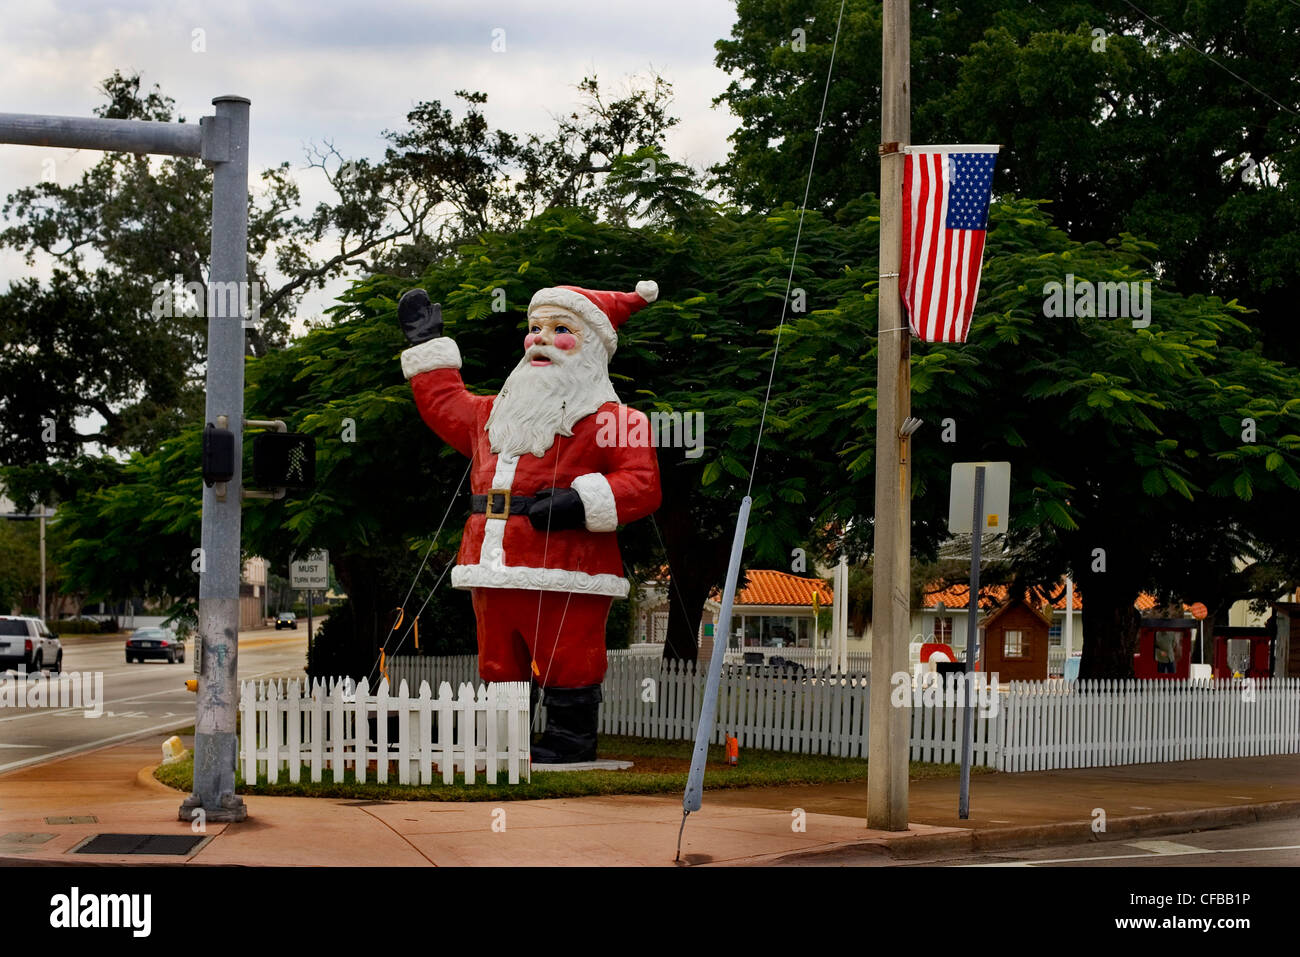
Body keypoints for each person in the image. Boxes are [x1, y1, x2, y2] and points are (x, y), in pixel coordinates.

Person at [396, 280, 662, 762]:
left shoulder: (619, 420)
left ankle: (570, 737)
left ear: (591, 347)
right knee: (498, 656)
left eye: (560, 329)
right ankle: (505, 736)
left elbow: (642, 485)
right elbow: (444, 405)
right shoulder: (494, 416)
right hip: (491, 562)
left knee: (568, 652)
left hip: (569, 567)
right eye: (535, 327)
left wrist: (580, 501)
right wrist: (426, 348)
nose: (540, 339)